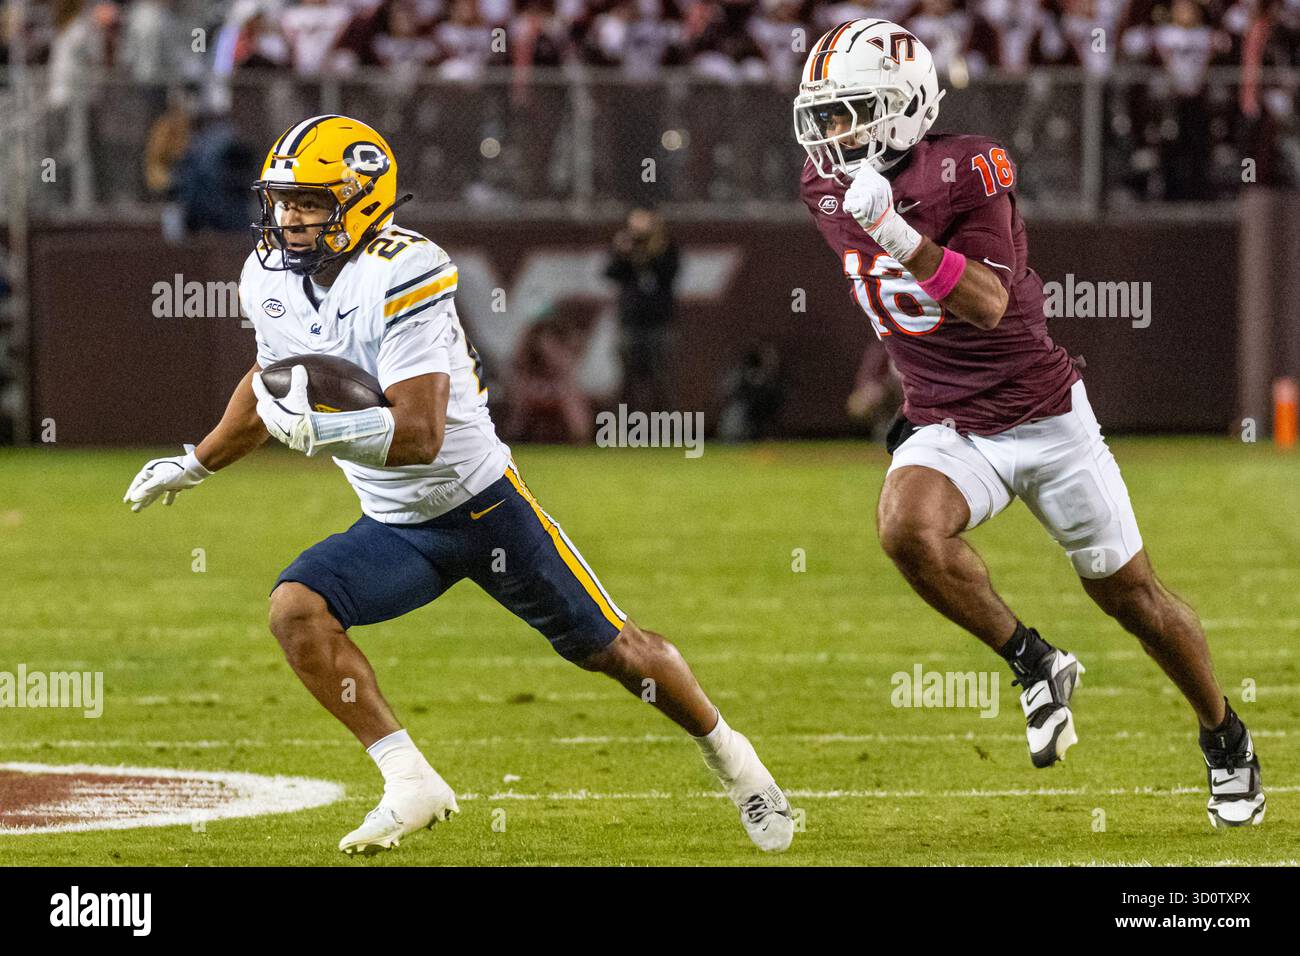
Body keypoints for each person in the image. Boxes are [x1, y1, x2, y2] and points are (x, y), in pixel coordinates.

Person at [122, 115, 793, 855]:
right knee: (296, 611)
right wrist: (197, 461)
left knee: (615, 651)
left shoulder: (404, 270)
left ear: (361, 200)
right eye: (282, 201)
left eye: (310, 202)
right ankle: (409, 780)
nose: (290, 219)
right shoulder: (269, 274)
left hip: (484, 507)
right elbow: (269, 381)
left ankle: (737, 763)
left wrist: (325, 432)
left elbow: (419, 434)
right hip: (397, 526)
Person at [794, 20, 1264, 827]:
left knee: (1133, 598)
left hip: (1042, 416)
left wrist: (897, 233)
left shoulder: (969, 165)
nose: (831, 136)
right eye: (824, 115)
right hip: (947, 422)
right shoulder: (825, 184)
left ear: (904, 106)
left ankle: (1225, 737)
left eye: (851, 113)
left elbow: (986, 304)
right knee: (906, 527)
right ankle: (1035, 662)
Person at [604, 208, 679, 412]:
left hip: (659, 322)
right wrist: (623, 252)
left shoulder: (666, 246)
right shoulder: (626, 249)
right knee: (629, 377)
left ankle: (667, 425)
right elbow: (610, 272)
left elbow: (669, 273)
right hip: (631, 322)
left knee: (662, 376)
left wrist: (652, 252)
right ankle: (627, 426)